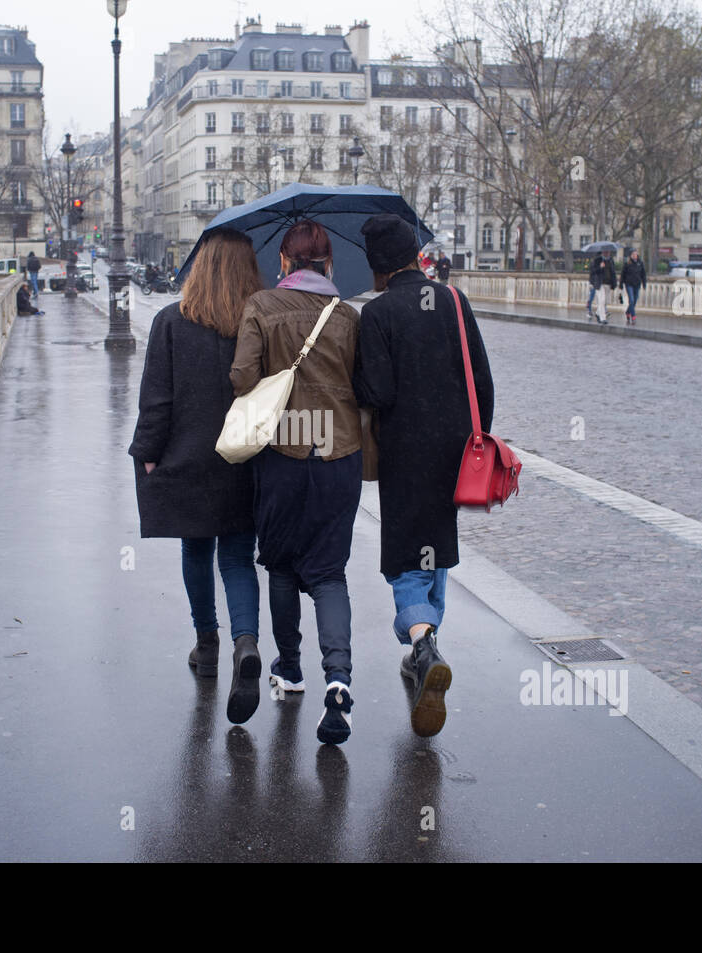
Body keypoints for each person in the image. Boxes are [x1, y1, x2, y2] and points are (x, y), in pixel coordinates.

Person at [354, 214, 494, 738]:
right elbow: (481, 380)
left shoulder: (379, 313)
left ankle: (421, 641)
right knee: (435, 543)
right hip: (456, 450)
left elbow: (379, 393)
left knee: (406, 554)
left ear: (378, 267)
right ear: (416, 255)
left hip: (405, 452)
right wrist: (473, 441)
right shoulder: (455, 302)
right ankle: (423, 646)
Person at [231, 219, 362, 744]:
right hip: (339, 452)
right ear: (329, 264)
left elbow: (241, 378)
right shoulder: (348, 315)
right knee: (329, 573)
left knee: (280, 567)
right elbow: (366, 384)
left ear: (283, 262)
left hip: (283, 453)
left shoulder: (261, 307)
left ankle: (290, 668)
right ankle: (339, 681)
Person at [129, 228, 263, 705]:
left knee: (196, 552)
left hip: (189, 459)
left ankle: (207, 645)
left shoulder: (170, 322)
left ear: (200, 267)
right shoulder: (258, 321)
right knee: (238, 557)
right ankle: (245, 642)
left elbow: (156, 401)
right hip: (245, 460)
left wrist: (147, 453)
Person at [587, 248, 617, 325]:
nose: (607, 253)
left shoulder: (611, 260)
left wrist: (614, 283)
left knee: (606, 301)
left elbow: (613, 272)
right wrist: (600, 267)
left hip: (608, 283)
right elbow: (593, 271)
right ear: (602, 252)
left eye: (608, 251)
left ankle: (597, 313)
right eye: (605, 251)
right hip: (599, 283)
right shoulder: (597, 260)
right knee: (602, 300)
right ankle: (602, 318)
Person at [620, 250, 647, 325]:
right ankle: (633, 317)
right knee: (631, 300)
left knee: (634, 300)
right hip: (629, 284)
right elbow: (623, 274)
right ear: (631, 256)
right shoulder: (627, 264)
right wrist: (621, 284)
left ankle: (628, 312)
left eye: (636, 254)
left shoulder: (640, 263)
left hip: (637, 284)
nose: (635, 255)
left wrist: (644, 283)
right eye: (633, 254)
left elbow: (643, 274)